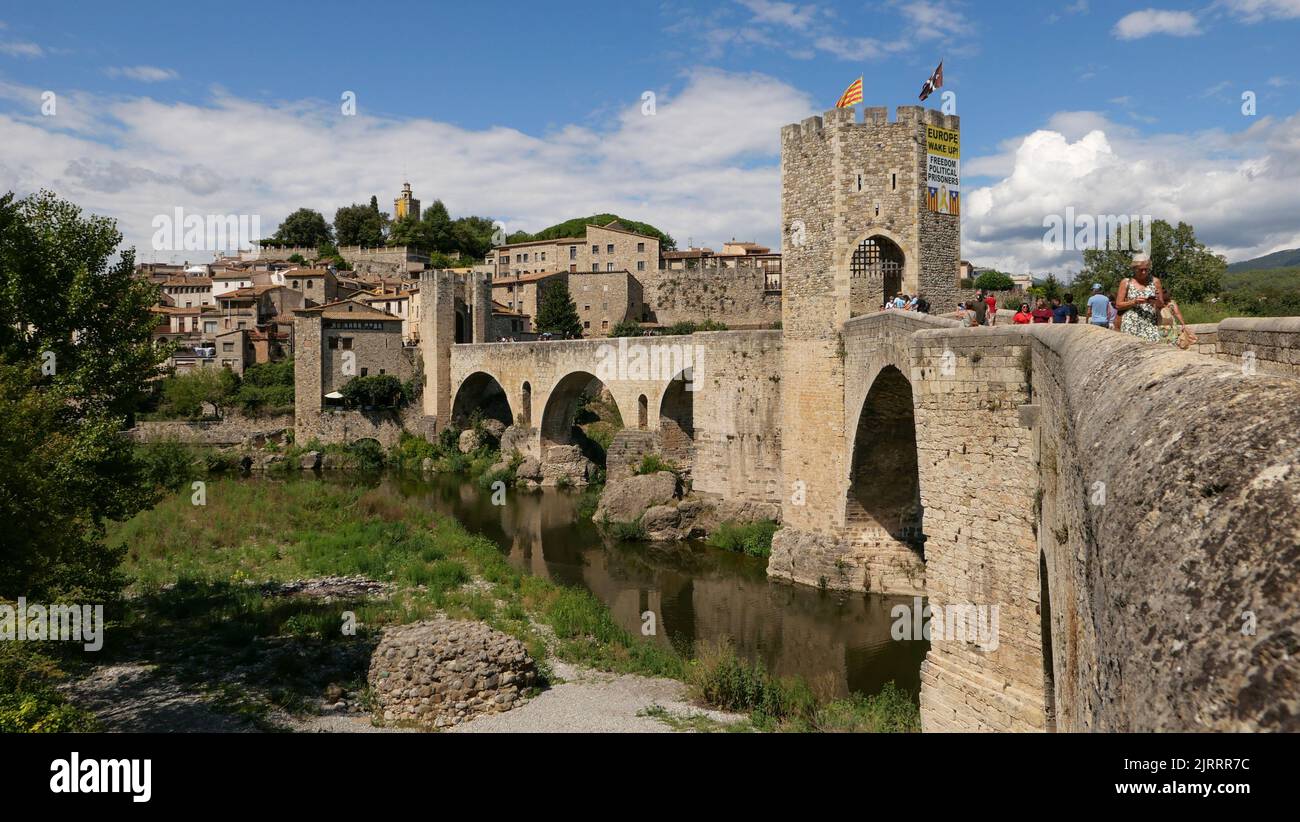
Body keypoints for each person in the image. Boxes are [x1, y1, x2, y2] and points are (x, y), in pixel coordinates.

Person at [1117, 256, 1164, 341]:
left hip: (1150, 323)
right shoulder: (1126, 282)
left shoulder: (1155, 281)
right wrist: (1134, 302)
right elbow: (1118, 305)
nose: (1144, 272)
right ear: (1134, 269)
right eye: (1140, 270)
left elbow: (1161, 304)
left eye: (1146, 269)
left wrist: (1155, 301)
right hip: (1130, 324)